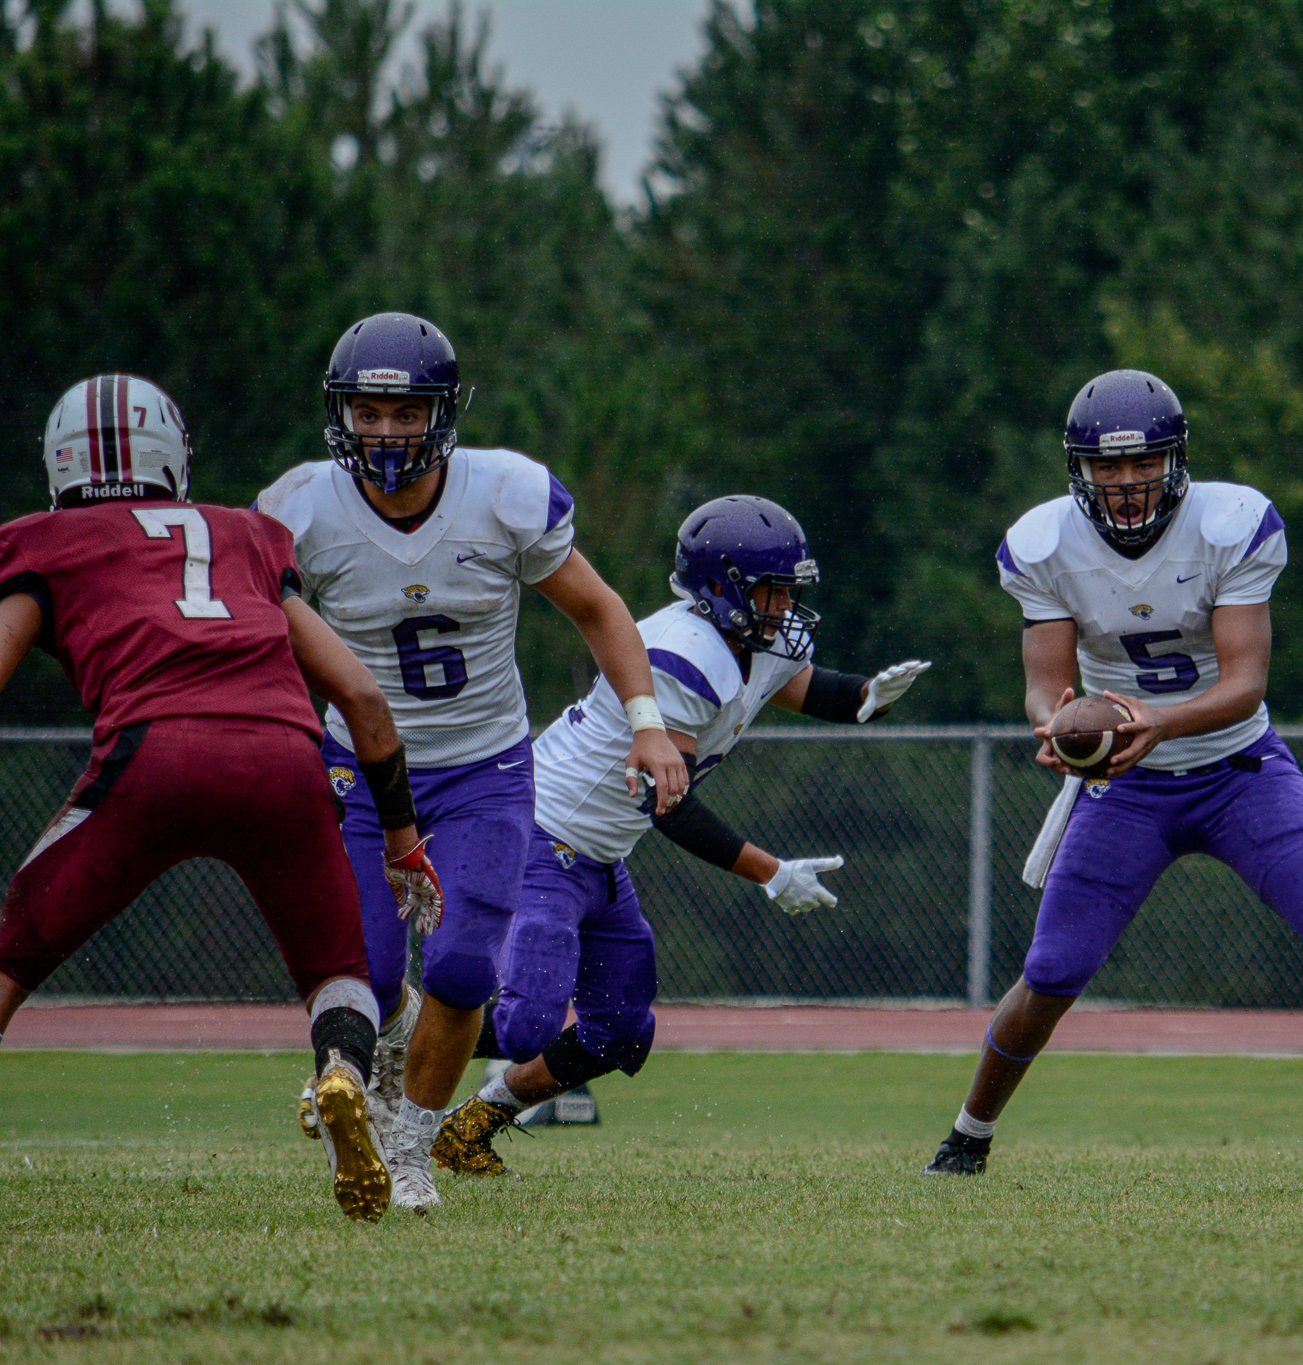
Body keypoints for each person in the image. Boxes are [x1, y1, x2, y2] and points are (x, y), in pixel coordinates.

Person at [919, 369, 1303, 1181]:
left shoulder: (1231, 525)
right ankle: (965, 1141)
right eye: (1107, 466)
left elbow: (1245, 684)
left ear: (1177, 459)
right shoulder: (1044, 545)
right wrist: (1054, 724)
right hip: (1126, 788)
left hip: (1240, 770)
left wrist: (1158, 722)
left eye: (1143, 462)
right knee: (1051, 969)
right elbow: (1043, 683)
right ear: (1079, 470)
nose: (1126, 482)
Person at [257, 313, 687, 1213]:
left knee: (460, 969)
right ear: (339, 414)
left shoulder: (503, 495)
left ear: (443, 413)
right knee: (369, 973)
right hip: (361, 774)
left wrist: (647, 722)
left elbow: (600, 609)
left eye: (406, 412)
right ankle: (373, 1061)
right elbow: (265, 639)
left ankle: (410, 1147)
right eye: (367, 414)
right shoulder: (299, 510)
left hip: (482, 769)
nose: (385, 433)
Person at [0, 375, 443, 1223]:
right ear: (174, 458)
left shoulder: (40, 541)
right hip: (283, 757)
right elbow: (363, 697)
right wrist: (403, 842)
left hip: (154, 756)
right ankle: (341, 1071)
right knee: (338, 969)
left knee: (16, 946)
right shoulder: (245, 532)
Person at [432, 496, 930, 1174]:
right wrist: (770, 871)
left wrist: (870, 696)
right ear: (722, 588)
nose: (785, 605)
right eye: (772, 590)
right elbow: (671, 806)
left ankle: (470, 1126)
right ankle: (389, 1042)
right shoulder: (680, 653)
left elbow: (815, 691)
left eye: (790, 590)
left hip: (600, 855)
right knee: (527, 1027)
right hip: (543, 839)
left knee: (618, 1031)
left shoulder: (754, 643)